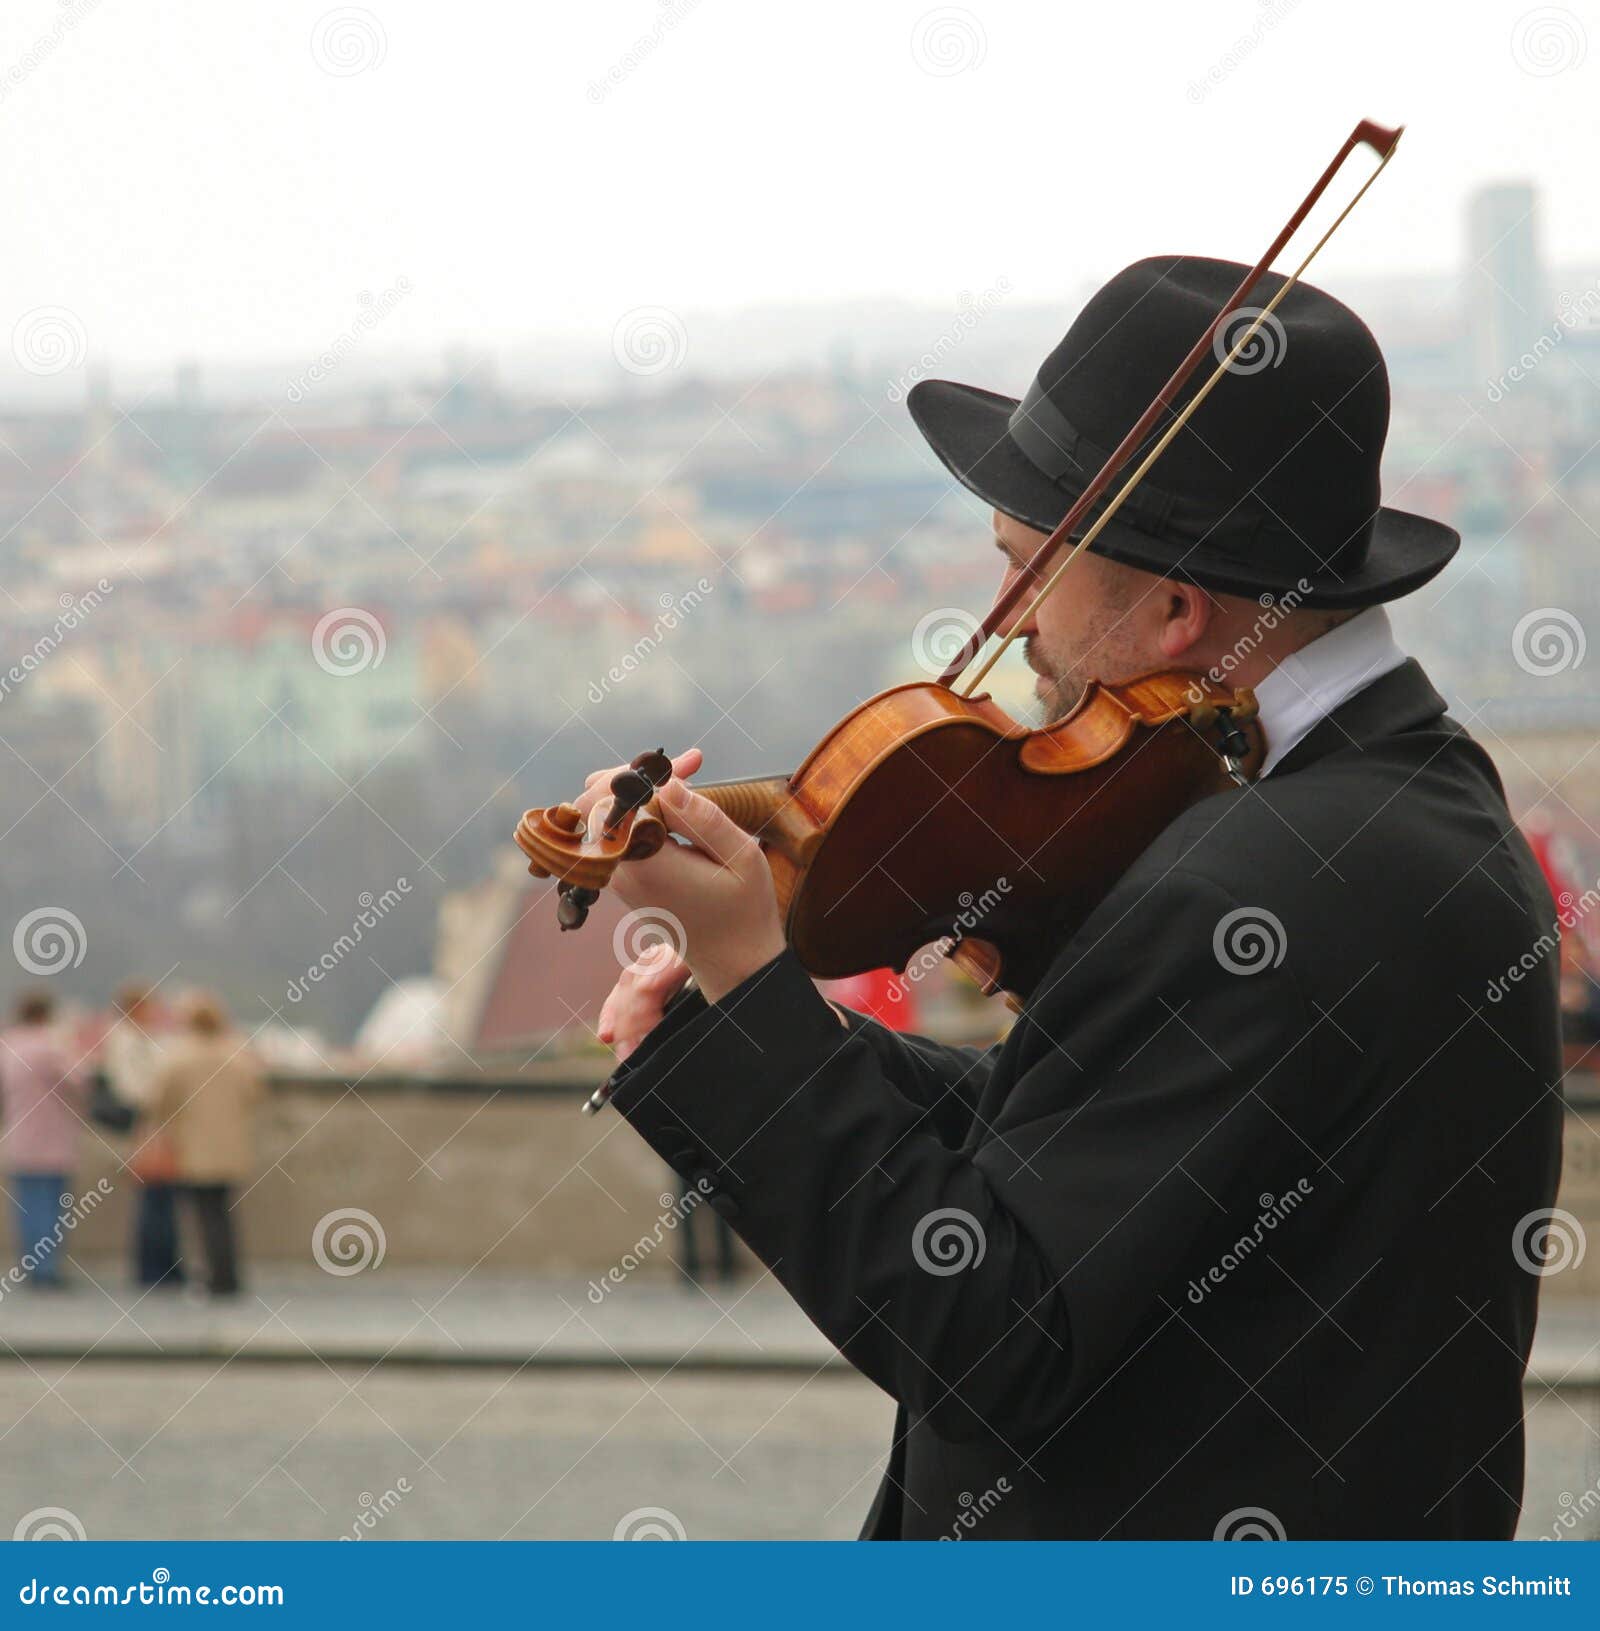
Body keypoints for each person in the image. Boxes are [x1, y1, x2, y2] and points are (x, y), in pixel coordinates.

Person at [581, 259, 1564, 1538]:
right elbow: (1098, 1144)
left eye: (1026, 569)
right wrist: (758, 1034)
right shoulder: (1424, 798)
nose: (1009, 627)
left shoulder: (1245, 883)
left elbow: (994, 1337)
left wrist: (752, 963)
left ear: (1170, 608)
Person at [151, 992, 264, 1298]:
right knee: (223, 1214)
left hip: (193, 1146)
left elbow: (161, 1100)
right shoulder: (238, 1056)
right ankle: (228, 1275)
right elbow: (254, 1094)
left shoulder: (179, 1058)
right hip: (230, 1146)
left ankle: (214, 1278)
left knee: (202, 1216)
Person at [0, 991, 88, 1290]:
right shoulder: (51, 1046)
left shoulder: (8, 1045)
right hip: (54, 1138)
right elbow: (78, 1080)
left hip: (20, 1137)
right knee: (53, 1205)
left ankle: (32, 1264)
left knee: (27, 1205)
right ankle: (47, 1269)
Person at [101, 982, 184, 1290]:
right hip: (147, 1124)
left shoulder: (140, 1039)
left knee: (161, 1199)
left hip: (155, 1122)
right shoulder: (126, 1041)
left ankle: (163, 1265)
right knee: (155, 1198)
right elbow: (132, 1087)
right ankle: (154, 1268)